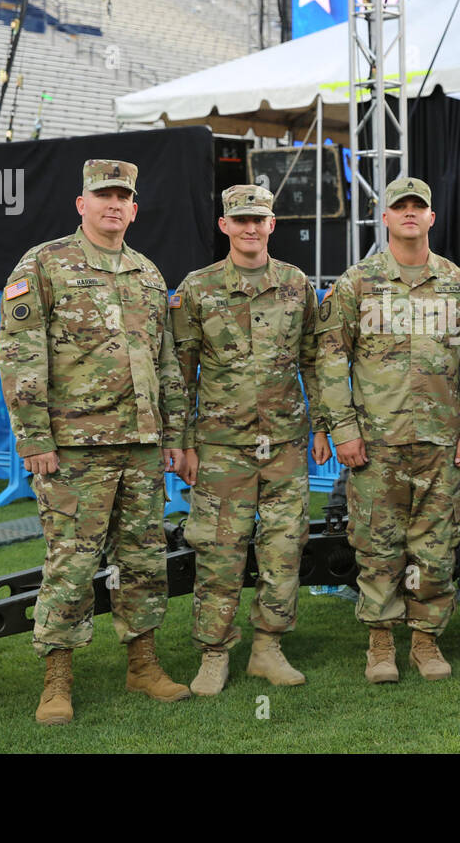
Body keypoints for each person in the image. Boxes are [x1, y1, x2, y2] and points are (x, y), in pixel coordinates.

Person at [0, 159, 191, 725]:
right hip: (75, 446)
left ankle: (143, 665)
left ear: (134, 208)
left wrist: (174, 435)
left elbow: (166, 362)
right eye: (102, 195)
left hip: (142, 444)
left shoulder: (148, 274)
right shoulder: (44, 264)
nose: (113, 204)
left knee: (144, 559)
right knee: (72, 563)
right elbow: (20, 354)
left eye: (123, 197)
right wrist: (35, 437)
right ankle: (57, 680)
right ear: (81, 204)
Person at [314, 177, 460, 683]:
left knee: (435, 547)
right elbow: (331, 361)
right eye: (400, 207)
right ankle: (380, 645)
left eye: (419, 207)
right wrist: (342, 429)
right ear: (385, 217)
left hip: (442, 441)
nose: (410, 213)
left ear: (432, 217)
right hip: (376, 443)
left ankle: (426, 643)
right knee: (377, 547)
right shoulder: (357, 283)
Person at [170, 184, 333, 696]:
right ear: (224, 226)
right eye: (240, 219)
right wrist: (184, 441)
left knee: (284, 549)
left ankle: (268, 647)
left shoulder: (295, 283)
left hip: (284, 444)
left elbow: (314, 358)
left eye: (258, 219)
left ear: (271, 224)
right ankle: (214, 653)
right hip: (221, 448)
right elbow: (181, 373)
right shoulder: (197, 288)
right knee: (219, 550)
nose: (249, 227)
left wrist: (324, 424)